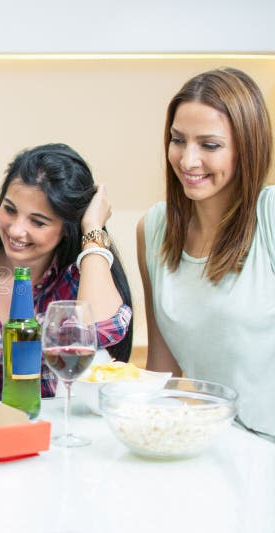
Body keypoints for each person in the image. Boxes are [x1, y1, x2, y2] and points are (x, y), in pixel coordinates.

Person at [138, 67, 274, 438]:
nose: (187, 160)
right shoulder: (154, 228)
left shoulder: (270, 216)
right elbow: (162, 370)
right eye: (178, 140)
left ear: (247, 147)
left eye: (209, 145)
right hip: (206, 442)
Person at [0, 143, 133, 401]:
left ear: (67, 227)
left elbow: (100, 329)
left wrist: (93, 227)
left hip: (66, 428)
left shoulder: (81, 275)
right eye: (10, 210)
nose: (16, 230)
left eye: (38, 222)